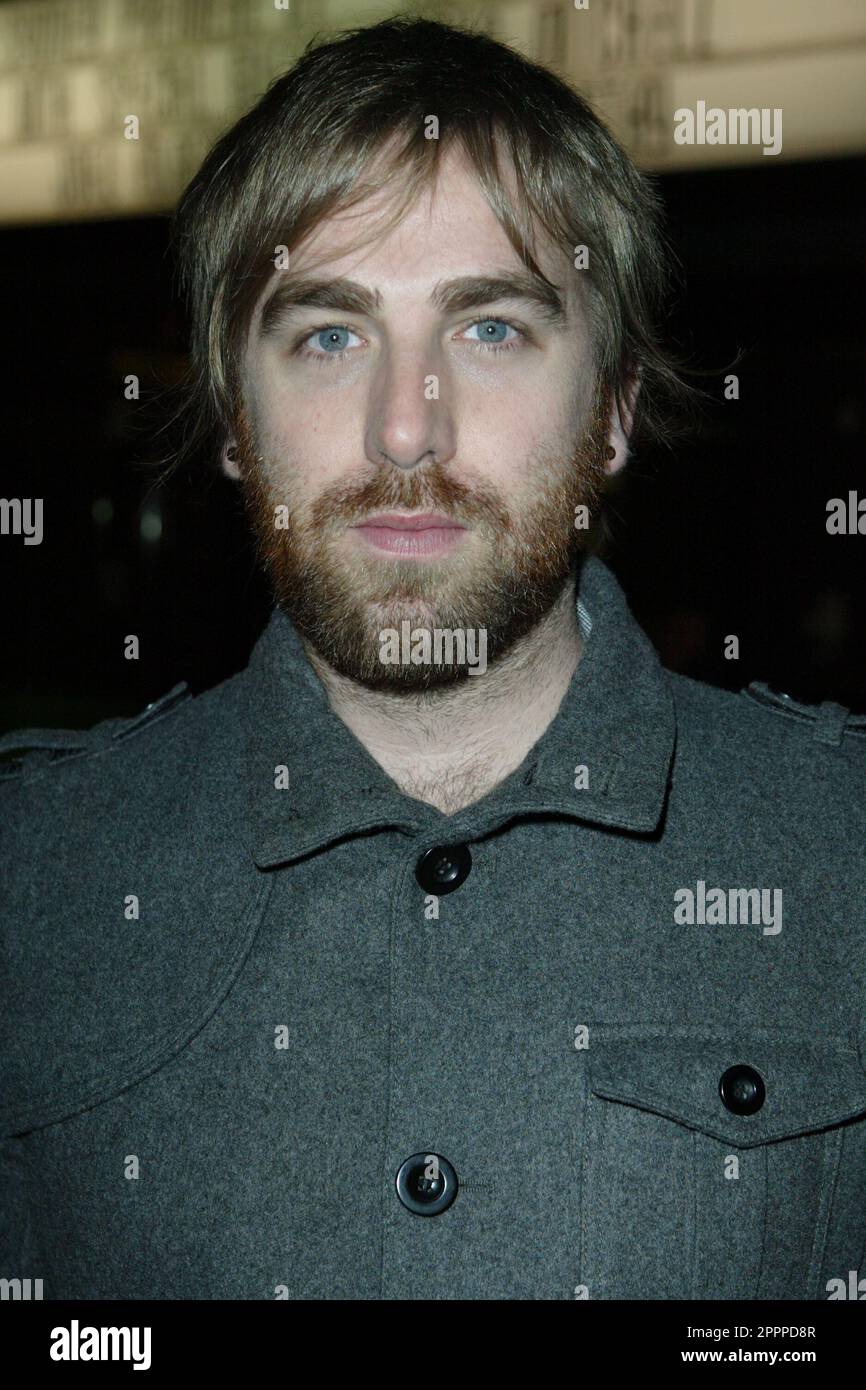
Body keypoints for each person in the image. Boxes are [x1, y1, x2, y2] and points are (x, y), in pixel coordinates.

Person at [2, 15, 864, 1302]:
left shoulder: (841, 848)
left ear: (617, 408)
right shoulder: (32, 876)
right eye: (329, 336)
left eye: (492, 329)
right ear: (237, 421)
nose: (407, 426)